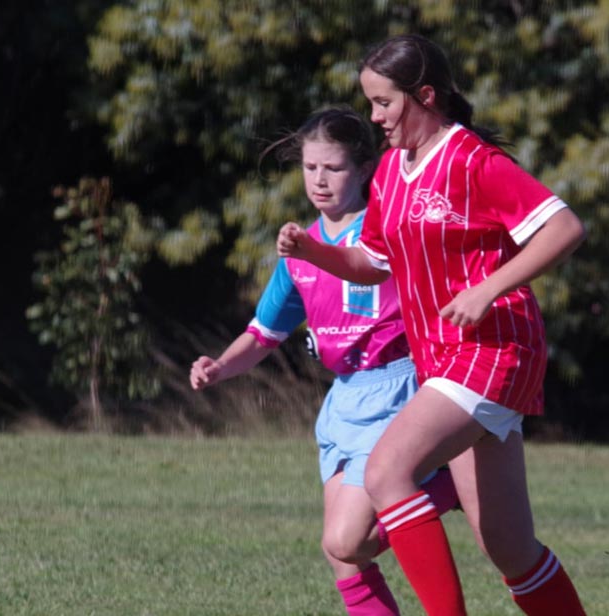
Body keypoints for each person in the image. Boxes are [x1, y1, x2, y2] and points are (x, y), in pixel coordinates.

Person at [276, 35, 588, 616]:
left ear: (424, 96)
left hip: (493, 347)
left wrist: (489, 288)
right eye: (369, 102)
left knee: (388, 469)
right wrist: (310, 251)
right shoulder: (393, 170)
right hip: (444, 362)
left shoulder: (472, 160)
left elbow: (564, 228)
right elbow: (371, 264)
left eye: (384, 103)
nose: (374, 117)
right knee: (510, 550)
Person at [190, 106, 458, 616]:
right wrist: (221, 367)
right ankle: (439, 486)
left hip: (396, 391)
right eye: (310, 168)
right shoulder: (301, 248)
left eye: (332, 168)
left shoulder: (389, 230)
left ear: (362, 169)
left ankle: (445, 485)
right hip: (343, 402)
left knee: (347, 541)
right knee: (343, 558)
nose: (319, 180)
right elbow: (263, 333)